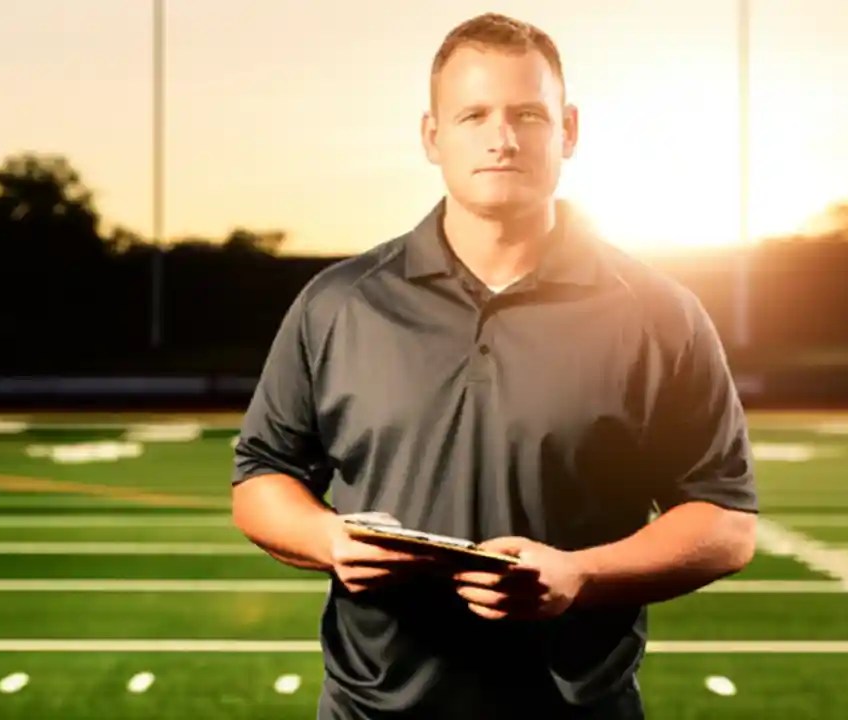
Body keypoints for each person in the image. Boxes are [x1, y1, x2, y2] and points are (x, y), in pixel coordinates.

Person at [231, 11, 759, 719]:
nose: (502, 138)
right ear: (432, 136)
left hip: (578, 708)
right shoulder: (339, 302)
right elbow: (262, 476)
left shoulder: (659, 312)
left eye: (528, 115)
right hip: (372, 708)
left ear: (568, 130)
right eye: (473, 115)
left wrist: (581, 575)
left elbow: (725, 521)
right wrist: (326, 539)